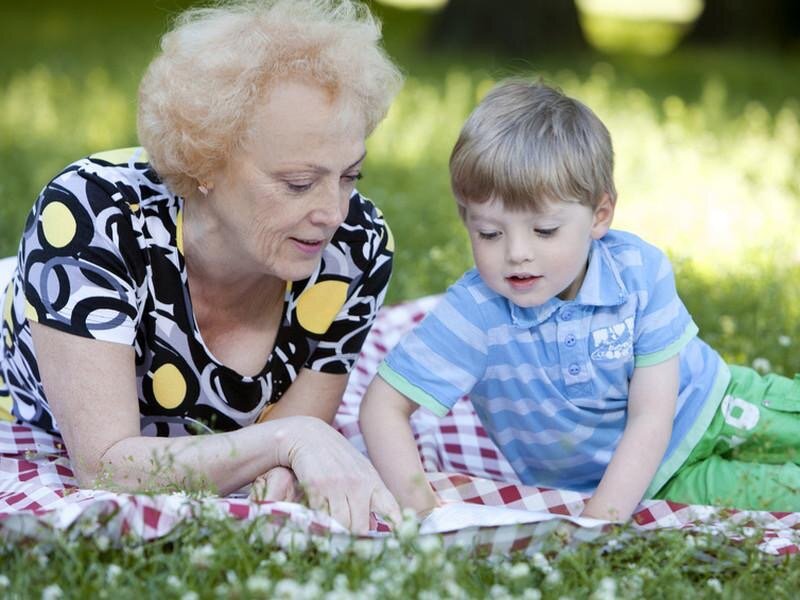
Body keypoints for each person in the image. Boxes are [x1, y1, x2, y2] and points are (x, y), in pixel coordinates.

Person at [0, 0, 404, 533]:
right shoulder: (90, 215)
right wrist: (291, 440)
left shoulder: (357, 245)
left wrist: (290, 449)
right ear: (205, 163)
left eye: (351, 175)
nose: (333, 212)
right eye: (298, 184)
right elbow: (104, 466)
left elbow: (284, 459)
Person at [360, 79, 800, 521]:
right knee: (784, 492)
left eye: (545, 230)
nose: (517, 253)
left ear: (600, 216)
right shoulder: (475, 314)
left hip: (722, 404)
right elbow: (382, 406)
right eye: (489, 233)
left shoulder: (637, 272)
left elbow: (652, 413)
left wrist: (598, 521)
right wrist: (423, 517)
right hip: (656, 481)